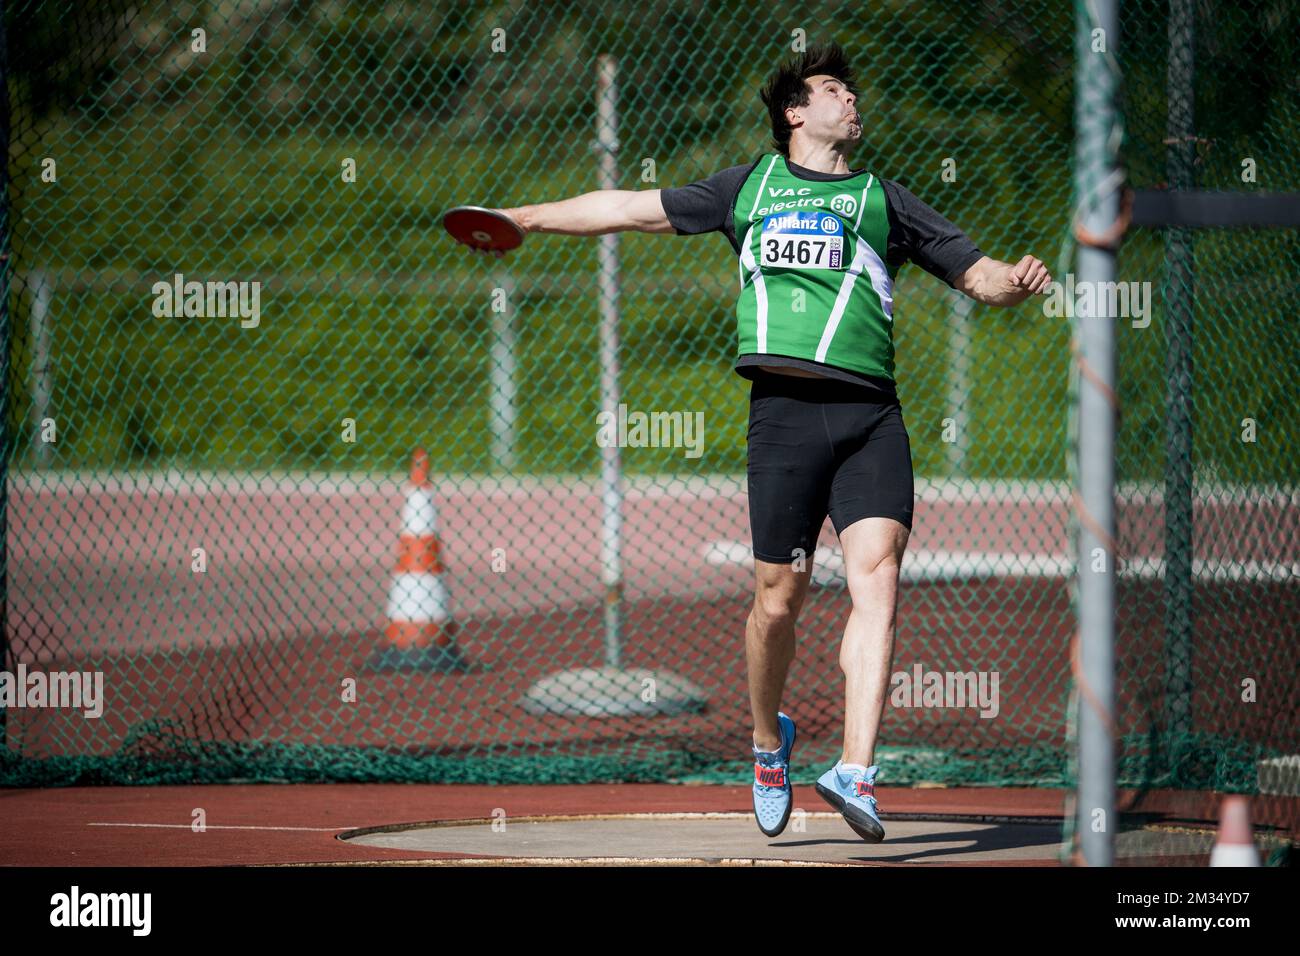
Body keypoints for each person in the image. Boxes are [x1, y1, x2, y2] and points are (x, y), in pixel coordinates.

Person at [487, 41, 1052, 843]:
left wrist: (1016, 281)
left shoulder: (884, 198)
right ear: (796, 112)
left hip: (870, 419)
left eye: (852, 91)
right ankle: (767, 743)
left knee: (879, 580)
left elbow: (978, 274)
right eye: (833, 90)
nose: (851, 101)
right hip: (783, 419)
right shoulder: (747, 187)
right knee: (777, 601)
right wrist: (525, 218)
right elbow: (624, 208)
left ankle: (856, 771)